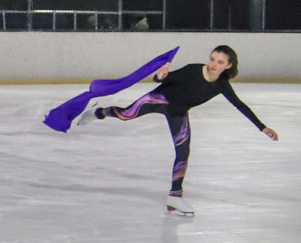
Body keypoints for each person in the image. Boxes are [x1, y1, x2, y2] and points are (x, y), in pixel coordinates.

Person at [74, 45, 279, 215]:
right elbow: (166, 78)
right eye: (213, 59)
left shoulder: (222, 85)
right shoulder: (192, 70)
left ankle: (175, 198)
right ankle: (98, 113)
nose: (214, 64)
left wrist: (262, 127)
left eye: (220, 62)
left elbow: (239, 105)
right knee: (127, 114)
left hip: (178, 112)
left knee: (183, 152)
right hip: (159, 99)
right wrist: (160, 77)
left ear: (228, 66)